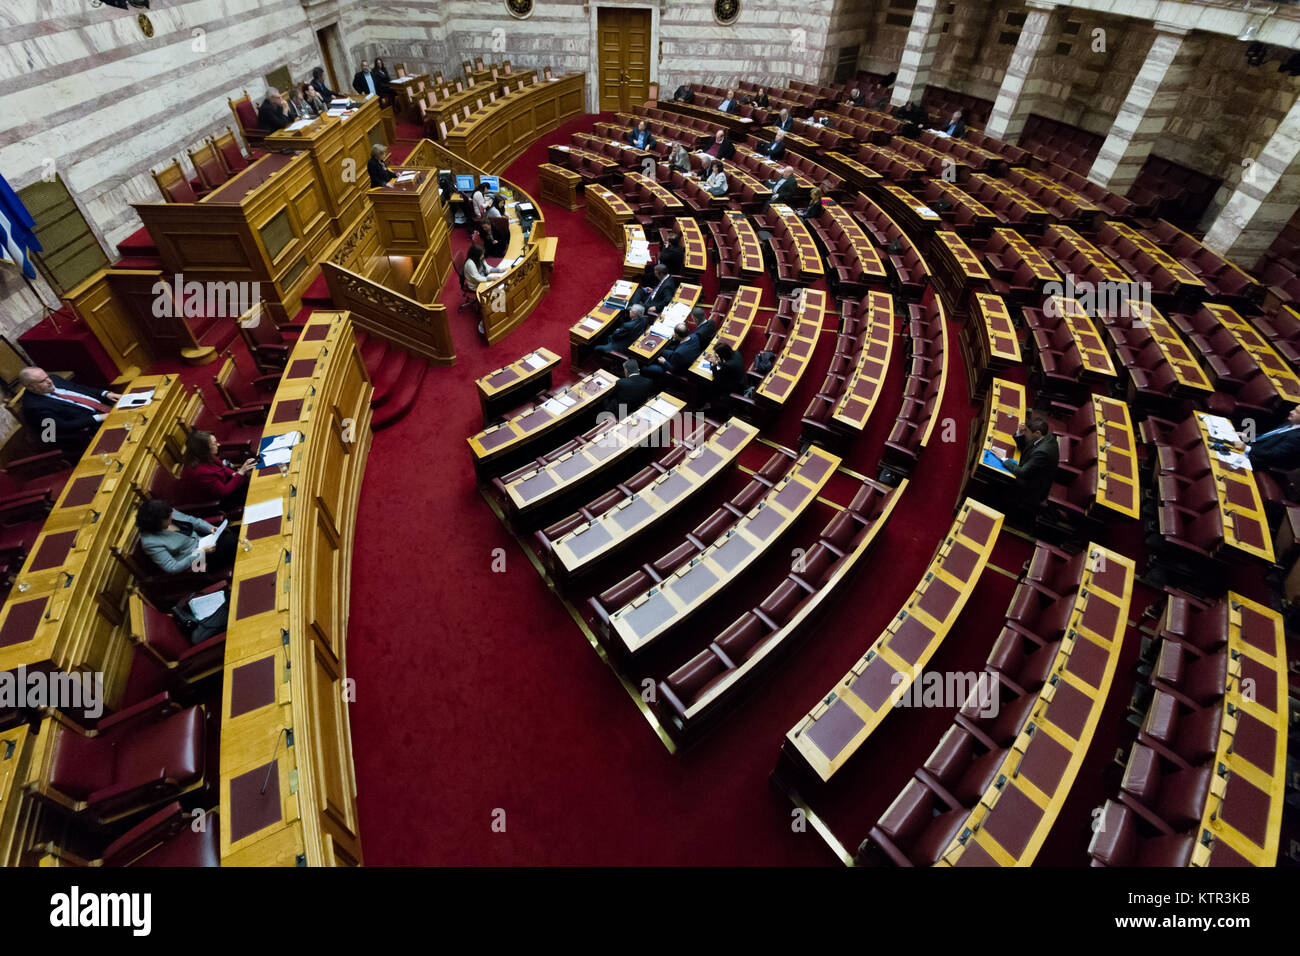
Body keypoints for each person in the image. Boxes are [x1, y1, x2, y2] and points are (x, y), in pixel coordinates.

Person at [18, 367, 121, 456]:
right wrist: (99, 418)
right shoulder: (34, 406)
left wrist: (105, 393)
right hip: (93, 426)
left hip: (106, 406)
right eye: (42, 381)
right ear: (31, 387)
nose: (49, 381)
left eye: (47, 377)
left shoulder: (54, 379)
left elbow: (79, 388)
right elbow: (63, 426)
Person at [137, 498, 237, 575]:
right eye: (168, 519)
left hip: (203, 540)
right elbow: (172, 567)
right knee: (231, 541)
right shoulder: (150, 542)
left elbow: (192, 520)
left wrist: (210, 528)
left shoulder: (166, 511)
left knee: (230, 536)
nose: (171, 518)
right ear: (156, 524)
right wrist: (201, 552)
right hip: (196, 560)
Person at [184, 430, 256, 514]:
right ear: (204, 449)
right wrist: (241, 472)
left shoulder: (205, 455)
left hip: (227, 485)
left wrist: (234, 474)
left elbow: (222, 467)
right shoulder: (200, 472)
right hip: (220, 501)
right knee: (255, 490)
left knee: (252, 477)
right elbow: (224, 492)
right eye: (214, 443)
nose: (218, 444)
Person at [997, 416, 1059, 505]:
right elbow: (1026, 447)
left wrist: (1003, 458)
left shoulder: (1042, 452)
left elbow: (1023, 472)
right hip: (1032, 470)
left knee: (1001, 476)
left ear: (1037, 433)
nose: (1025, 433)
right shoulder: (1047, 437)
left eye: (1027, 431)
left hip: (1033, 486)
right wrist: (1020, 432)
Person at [642, 312, 705, 379]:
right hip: (685, 358)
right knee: (661, 352)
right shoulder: (695, 336)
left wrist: (664, 362)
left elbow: (675, 370)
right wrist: (675, 339)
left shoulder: (679, 352)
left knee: (645, 368)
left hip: (681, 369)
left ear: (677, 335)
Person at [1236, 405, 1300, 470]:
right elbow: (1268, 436)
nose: (1291, 412)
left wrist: (1247, 448)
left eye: (1297, 412)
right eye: (1294, 409)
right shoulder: (1291, 423)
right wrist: (1247, 436)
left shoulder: (1297, 437)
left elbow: (1274, 454)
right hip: (1252, 449)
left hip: (1258, 461)